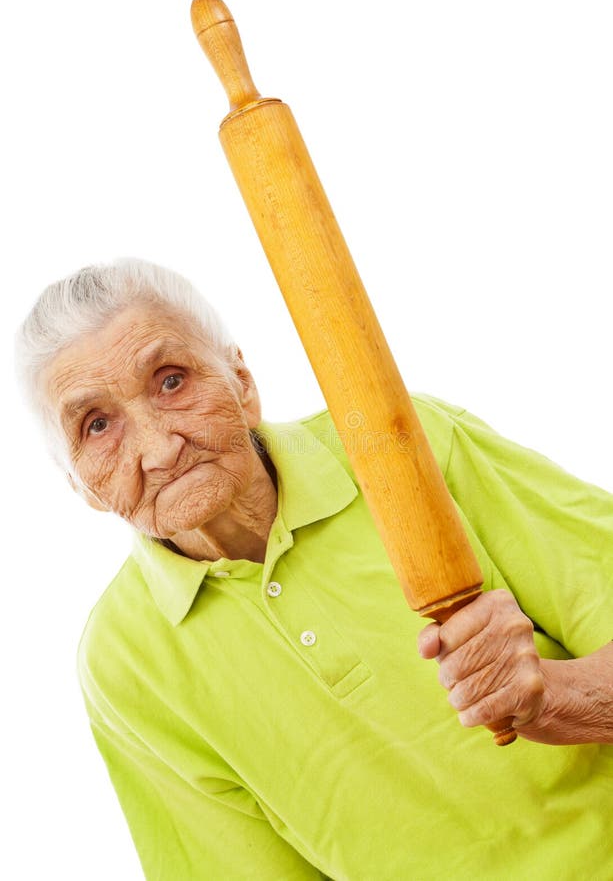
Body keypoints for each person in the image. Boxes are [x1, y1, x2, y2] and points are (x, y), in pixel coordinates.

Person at [16, 258, 613, 880]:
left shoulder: (403, 444)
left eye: (171, 381)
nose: (161, 448)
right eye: (98, 425)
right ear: (79, 485)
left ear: (241, 381)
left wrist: (559, 700)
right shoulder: (122, 663)